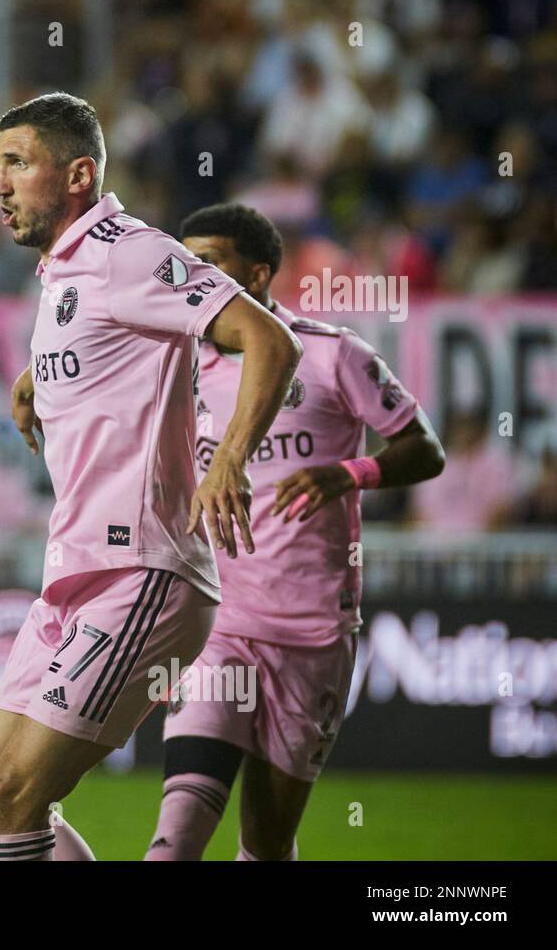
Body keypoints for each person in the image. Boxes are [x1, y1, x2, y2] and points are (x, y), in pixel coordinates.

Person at [0, 93, 303, 861]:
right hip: (74, 573)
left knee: (17, 797)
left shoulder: (126, 249)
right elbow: (112, 352)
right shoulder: (64, 271)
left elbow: (269, 341)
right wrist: (35, 381)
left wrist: (231, 464)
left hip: (141, 571)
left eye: (17, 163)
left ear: (78, 174)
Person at [143, 203, 445, 860]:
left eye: (208, 263)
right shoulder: (177, 365)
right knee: (177, 839)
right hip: (219, 627)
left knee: (268, 843)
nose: (190, 277)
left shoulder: (334, 355)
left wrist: (351, 473)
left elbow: (426, 450)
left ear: (256, 275)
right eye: (183, 263)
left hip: (312, 635)